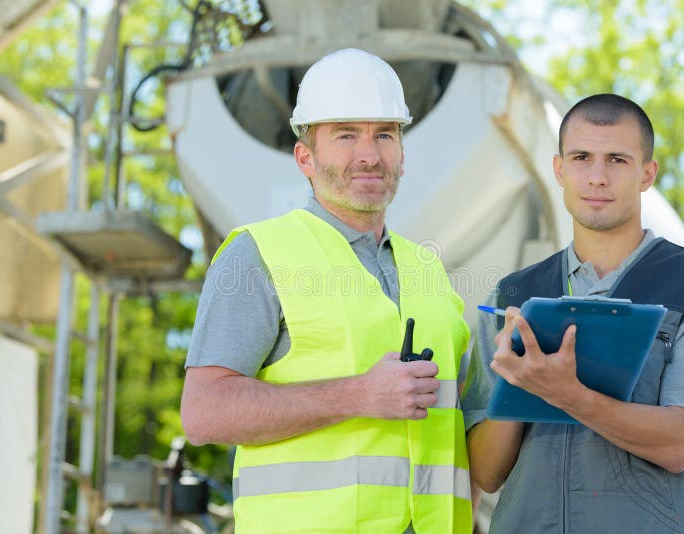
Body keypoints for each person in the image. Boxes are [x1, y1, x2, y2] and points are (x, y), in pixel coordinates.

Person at [180, 48, 472, 533]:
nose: (369, 155)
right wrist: (358, 395)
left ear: (402, 153)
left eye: (384, 134)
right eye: (345, 135)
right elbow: (204, 413)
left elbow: (459, 424)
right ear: (305, 157)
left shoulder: (429, 270)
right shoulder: (258, 254)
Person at [462, 93, 684, 533]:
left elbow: (676, 445)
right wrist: (516, 382)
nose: (597, 177)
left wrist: (567, 394)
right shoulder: (512, 293)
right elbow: (486, 472)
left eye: (616, 159)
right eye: (581, 157)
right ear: (559, 169)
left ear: (647, 174)